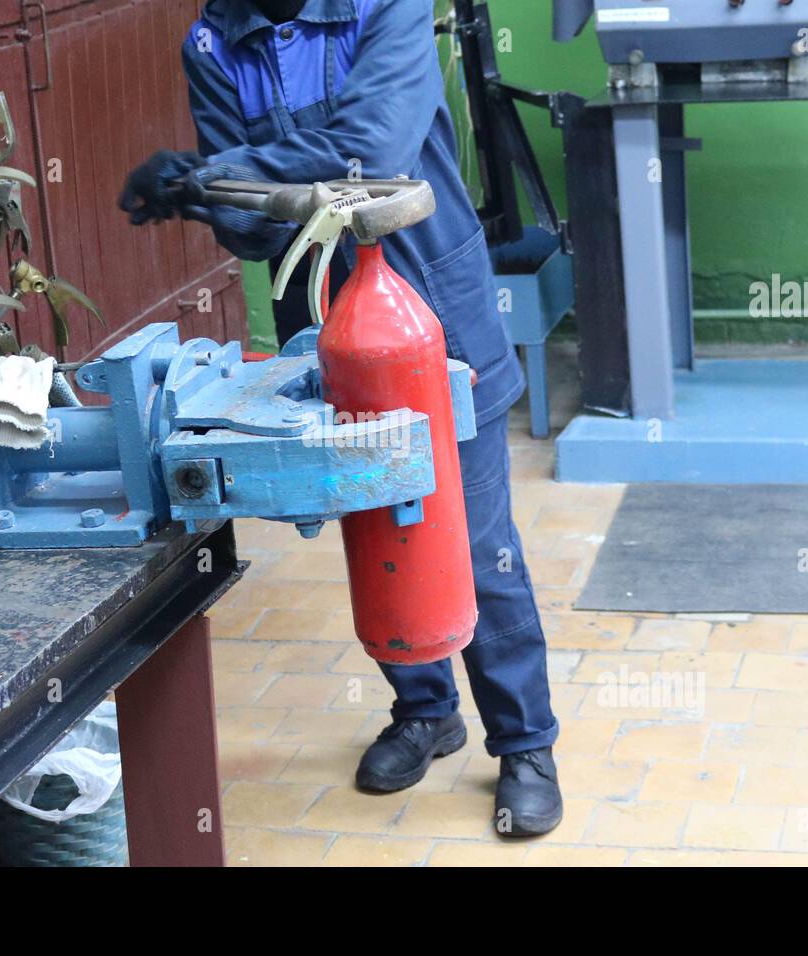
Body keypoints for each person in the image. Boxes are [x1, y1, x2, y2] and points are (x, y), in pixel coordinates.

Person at [119, 0, 562, 837]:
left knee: (475, 543)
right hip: (328, 326)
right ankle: (425, 710)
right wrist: (213, 191)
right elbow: (255, 230)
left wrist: (212, 181)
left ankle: (526, 741)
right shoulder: (214, 42)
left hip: (436, 311)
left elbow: (371, 158)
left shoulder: (385, 8)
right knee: (377, 524)